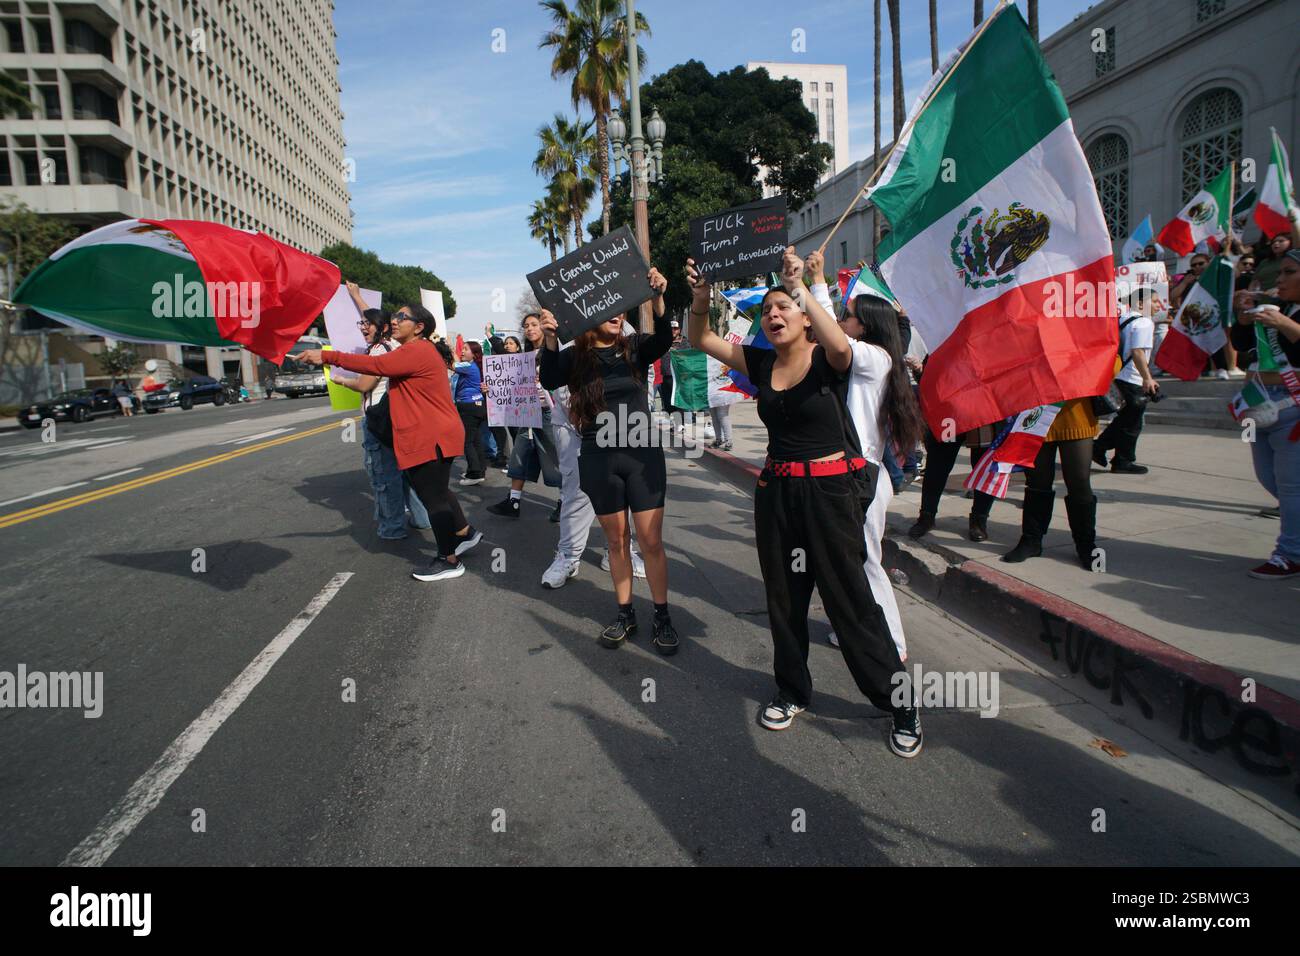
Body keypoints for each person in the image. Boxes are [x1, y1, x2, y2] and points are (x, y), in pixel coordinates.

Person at [686, 247, 922, 758]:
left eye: (783, 307)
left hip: (831, 494)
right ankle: (791, 690)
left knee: (851, 599)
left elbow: (840, 345)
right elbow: (699, 338)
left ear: (805, 318)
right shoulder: (761, 360)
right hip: (777, 495)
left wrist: (804, 286)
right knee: (785, 600)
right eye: (767, 309)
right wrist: (701, 300)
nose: (773, 314)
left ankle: (899, 702)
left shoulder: (832, 358)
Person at [538, 268, 679, 654]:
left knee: (650, 540)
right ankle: (625, 612)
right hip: (598, 457)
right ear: (587, 317)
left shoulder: (635, 349)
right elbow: (549, 378)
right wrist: (550, 338)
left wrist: (659, 298)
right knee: (616, 542)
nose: (617, 314)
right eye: (608, 310)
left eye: (620, 309)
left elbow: (665, 339)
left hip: (641, 454)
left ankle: (662, 615)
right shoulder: (574, 358)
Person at [299, 304, 481, 582]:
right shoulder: (415, 349)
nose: (394, 321)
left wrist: (327, 355)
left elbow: (374, 366)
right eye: (394, 316)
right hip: (433, 433)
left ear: (419, 327)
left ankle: (449, 559)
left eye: (401, 317)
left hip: (430, 435)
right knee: (438, 492)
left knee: (434, 499)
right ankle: (464, 533)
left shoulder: (416, 350)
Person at [833, 276, 926, 663]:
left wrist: (809, 289)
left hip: (865, 478)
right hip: (859, 476)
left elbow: (834, 340)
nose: (841, 320)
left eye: (847, 316)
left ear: (865, 326)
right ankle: (858, 628)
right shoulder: (875, 358)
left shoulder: (872, 357)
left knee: (868, 560)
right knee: (851, 560)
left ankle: (895, 645)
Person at [330, 296, 432, 539]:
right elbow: (379, 318)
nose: (364, 327)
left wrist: (341, 380)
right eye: (361, 323)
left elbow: (365, 383)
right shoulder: (397, 346)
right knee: (405, 473)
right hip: (397, 420)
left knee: (383, 476)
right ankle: (421, 518)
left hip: (378, 421)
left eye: (368, 324)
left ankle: (392, 528)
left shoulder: (379, 349)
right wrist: (355, 296)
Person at [1231, 249, 1300, 579]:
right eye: (1281, 272)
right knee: (1268, 478)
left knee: (1290, 487)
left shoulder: (1286, 315)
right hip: (1259, 403)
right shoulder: (1278, 306)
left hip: (1292, 405)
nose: (1280, 278)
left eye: (1289, 272)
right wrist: (1243, 317)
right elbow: (1244, 348)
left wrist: (1286, 325)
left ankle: (1289, 554)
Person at [1001, 396, 1100, 570]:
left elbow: (1109, 369)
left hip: (1077, 413)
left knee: (1079, 480)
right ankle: (1031, 540)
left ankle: (1086, 545)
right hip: (1038, 414)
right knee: (1037, 481)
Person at [487, 313, 561, 518]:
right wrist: (491, 387)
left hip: (549, 412)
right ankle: (514, 501)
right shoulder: (522, 357)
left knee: (554, 457)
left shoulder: (555, 351)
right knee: (519, 455)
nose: (529, 329)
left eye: (534, 324)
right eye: (526, 325)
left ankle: (565, 501)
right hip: (527, 412)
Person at [1093, 287, 1160, 474]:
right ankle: (1118, 458)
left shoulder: (1124, 320)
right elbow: (1138, 352)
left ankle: (1106, 451)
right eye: (1154, 301)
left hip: (1120, 376)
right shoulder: (1145, 323)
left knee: (1127, 420)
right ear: (1140, 303)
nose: (1158, 305)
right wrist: (1147, 378)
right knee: (1131, 424)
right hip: (1133, 379)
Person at [453, 340, 488, 485]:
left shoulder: (468, 365)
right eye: (462, 349)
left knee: (467, 442)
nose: (462, 351)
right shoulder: (471, 366)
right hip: (475, 407)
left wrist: (449, 348)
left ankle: (474, 474)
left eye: (466, 349)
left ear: (474, 354)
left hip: (469, 407)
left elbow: (453, 365)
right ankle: (479, 469)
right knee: (475, 440)